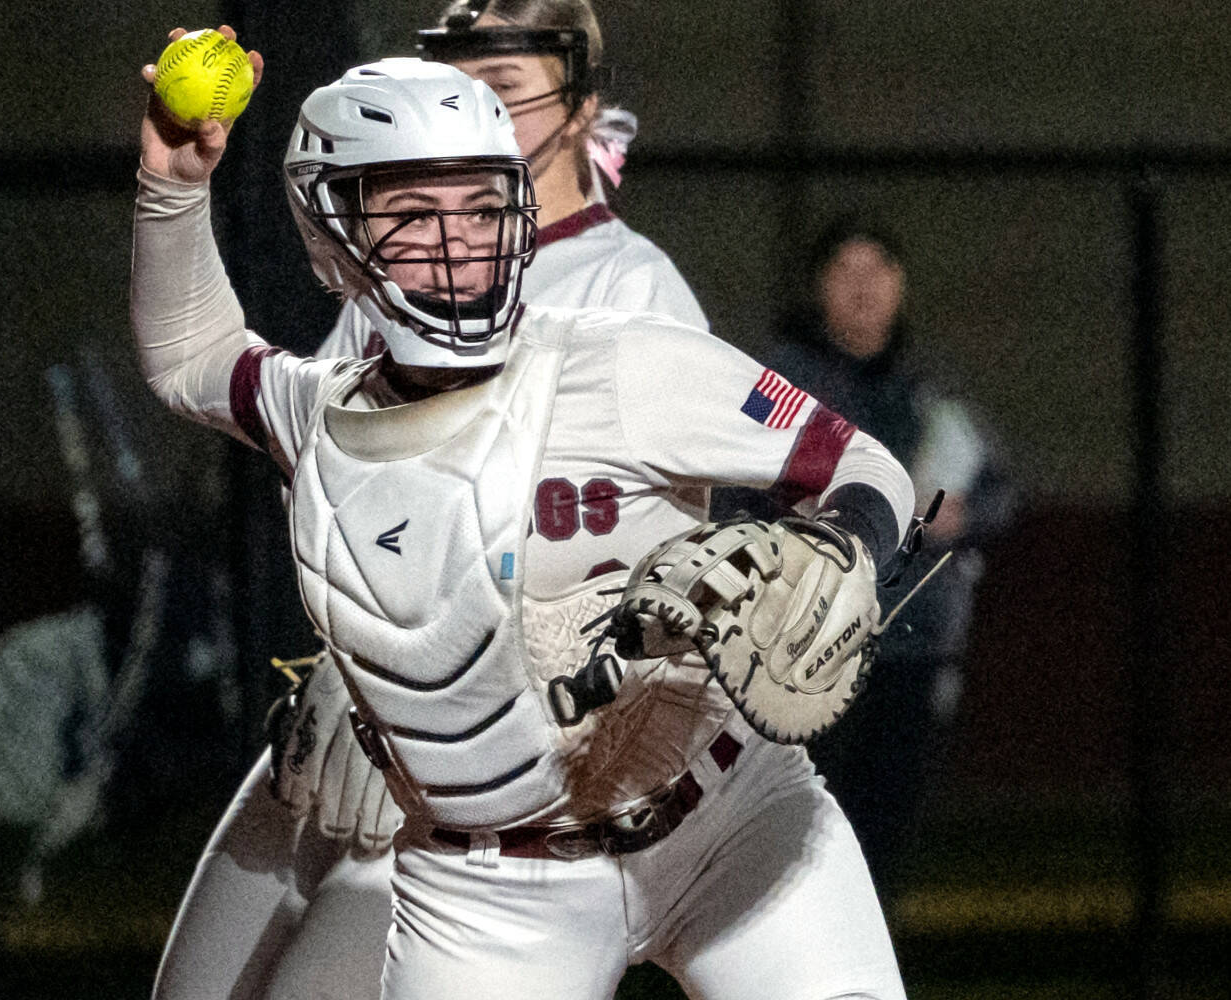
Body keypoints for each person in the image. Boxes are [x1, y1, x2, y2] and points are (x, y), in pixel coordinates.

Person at [134, 29, 917, 1000]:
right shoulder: (320, 408)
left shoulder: (620, 357)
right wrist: (169, 186)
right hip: (489, 883)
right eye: (415, 210)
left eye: (480, 203)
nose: (458, 240)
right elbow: (192, 360)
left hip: (727, 816)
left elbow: (864, 466)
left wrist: (838, 546)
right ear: (335, 236)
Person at [718, 216, 1014, 897]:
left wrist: (964, 515)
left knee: (884, 828)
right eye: (845, 273)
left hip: (911, 642)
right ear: (819, 287)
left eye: (877, 272)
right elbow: (732, 489)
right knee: (800, 827)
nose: (862, 290)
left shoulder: (929, 390)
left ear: (900, 284)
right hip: (800, 643)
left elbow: (1001, 487)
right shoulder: (781, 382)